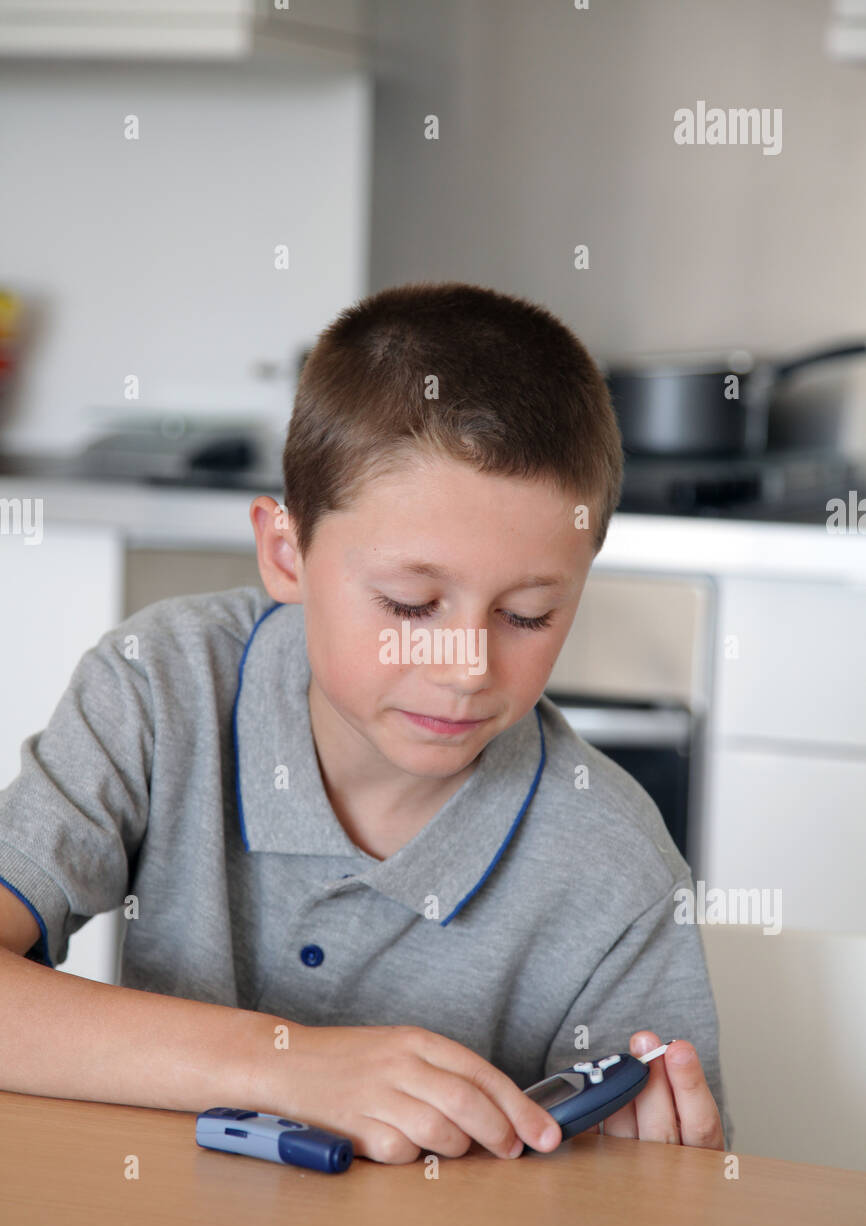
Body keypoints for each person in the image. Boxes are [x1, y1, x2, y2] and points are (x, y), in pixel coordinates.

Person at [0, 281, 730, 1162]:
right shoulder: (162, 687)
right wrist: (285, 1065)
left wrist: (656, 1185)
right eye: (410, 603)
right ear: (285, 552)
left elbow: (650, 1207)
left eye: (528, 615)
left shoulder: (614, 866)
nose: (467, 669)